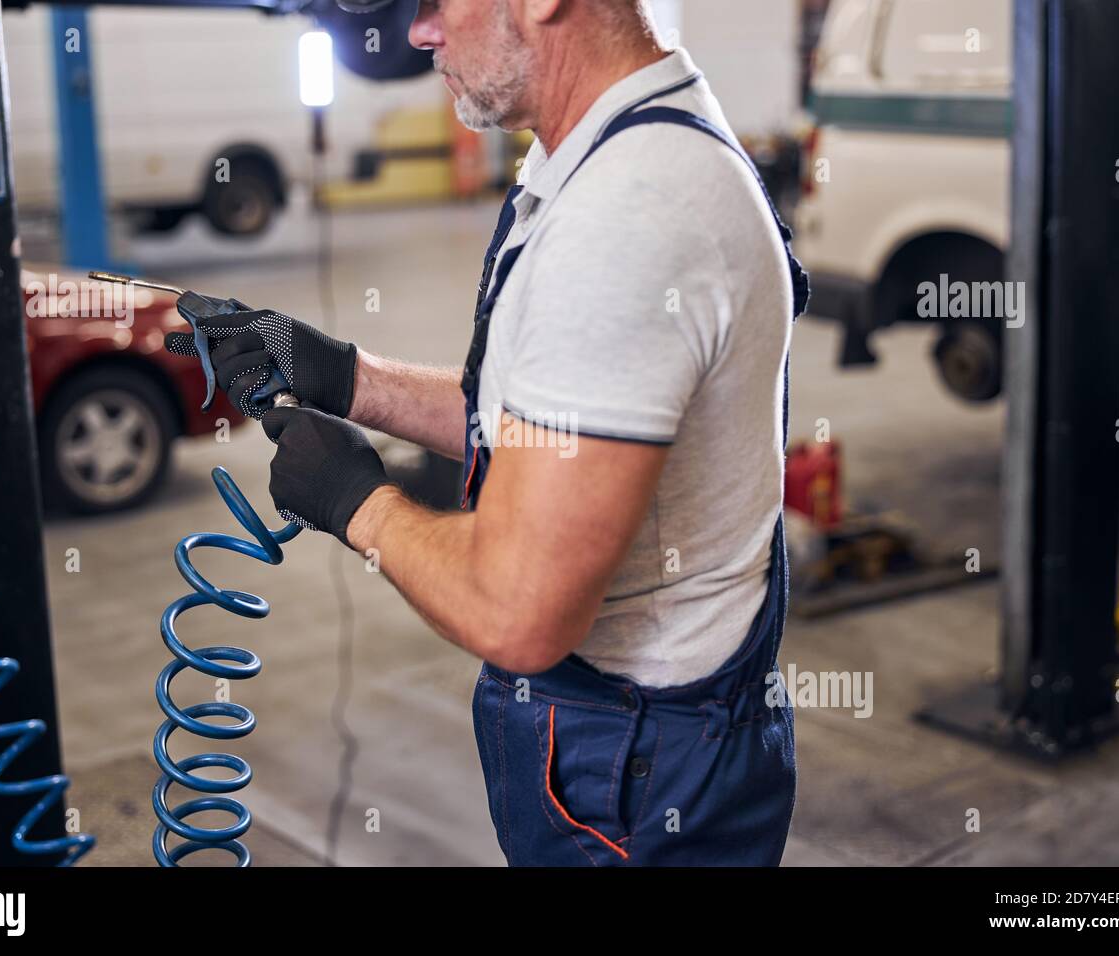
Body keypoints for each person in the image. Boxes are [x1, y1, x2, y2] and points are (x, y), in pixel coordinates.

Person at [166, 0, 807, 866]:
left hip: (640, 775)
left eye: (432, 3)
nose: (419, 33)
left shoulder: (632, 211)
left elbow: (520, 614)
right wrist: (347, 376)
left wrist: (360, 506)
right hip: (646, 741)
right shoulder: (622, 146)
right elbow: (550, 432)